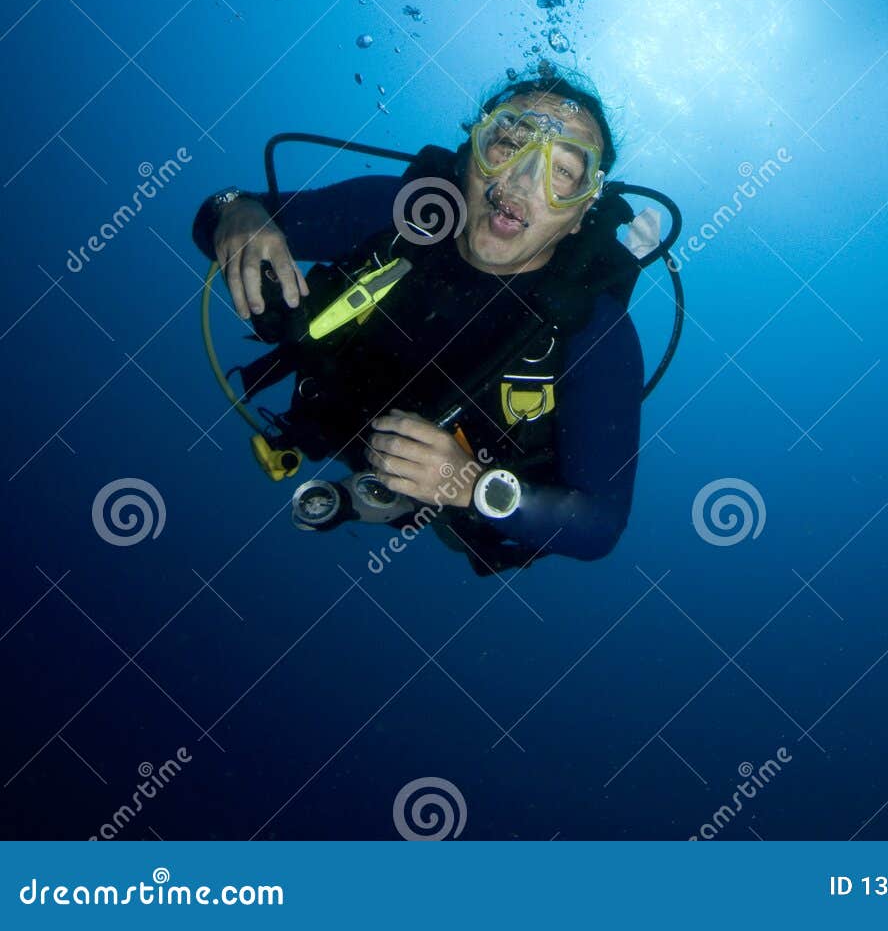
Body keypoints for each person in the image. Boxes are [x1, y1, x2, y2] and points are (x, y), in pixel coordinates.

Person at [191, 72, 645, 571]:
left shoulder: (596, 332)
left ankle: (411, 500)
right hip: (338, 413)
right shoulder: (400, 214)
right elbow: (221, 220)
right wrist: (235, 209)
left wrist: (471, 486)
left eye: (562, 172)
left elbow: (600, 525)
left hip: (468, 483)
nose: (520, 180)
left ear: (581, 214)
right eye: (508, 142)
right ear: (469, 155)